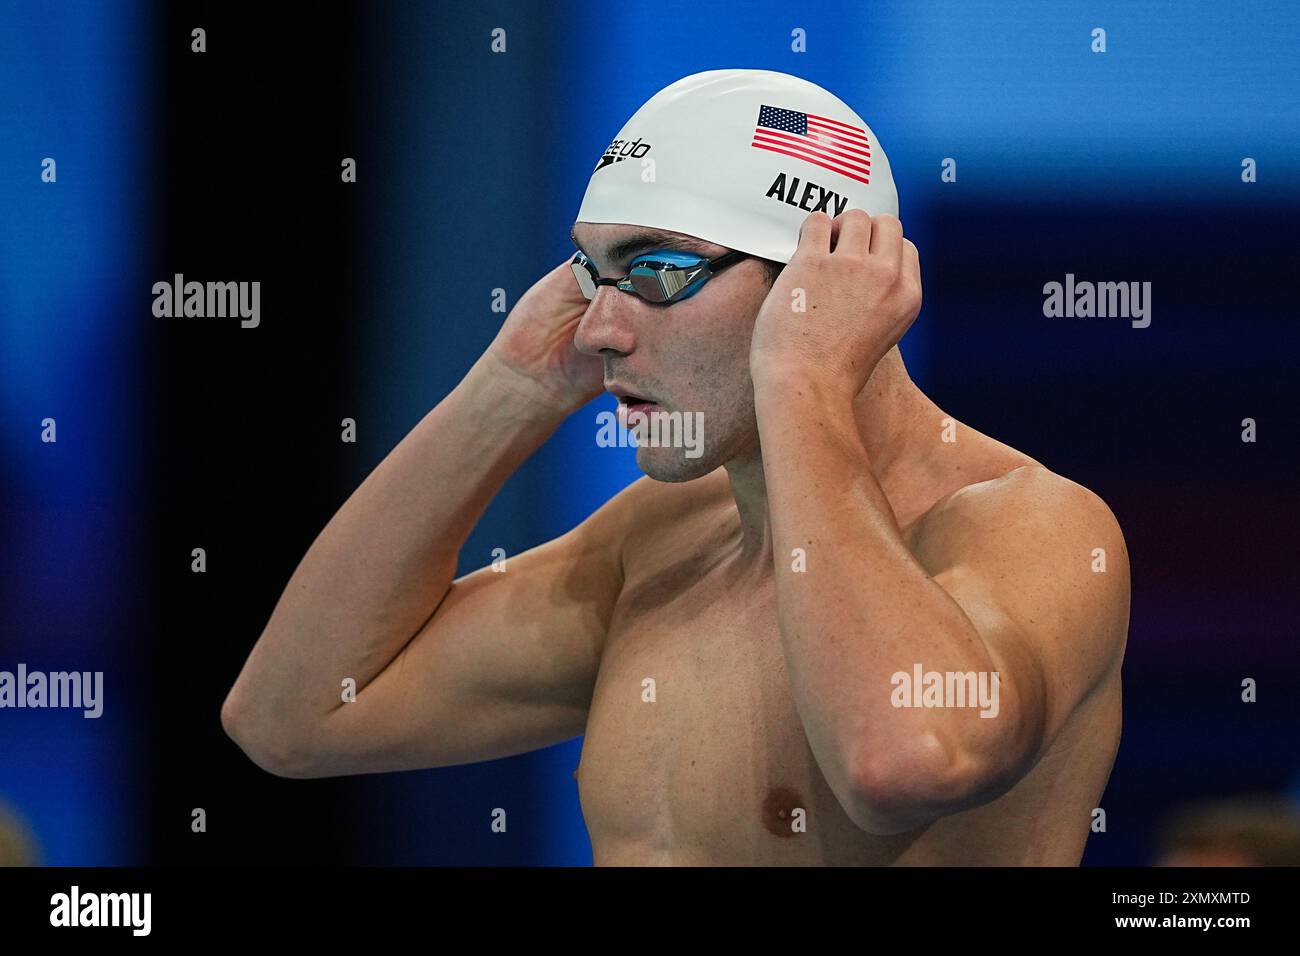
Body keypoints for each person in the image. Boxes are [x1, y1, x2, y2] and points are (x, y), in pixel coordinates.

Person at [222, 69, 1130, 865]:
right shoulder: (661, 544)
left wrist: (805, 376)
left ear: (820, 279)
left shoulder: (1031, 526)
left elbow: (902, 761)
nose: (600, 330)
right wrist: (509, 390)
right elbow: (291, 720)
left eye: (656, 270)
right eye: (592, 274)